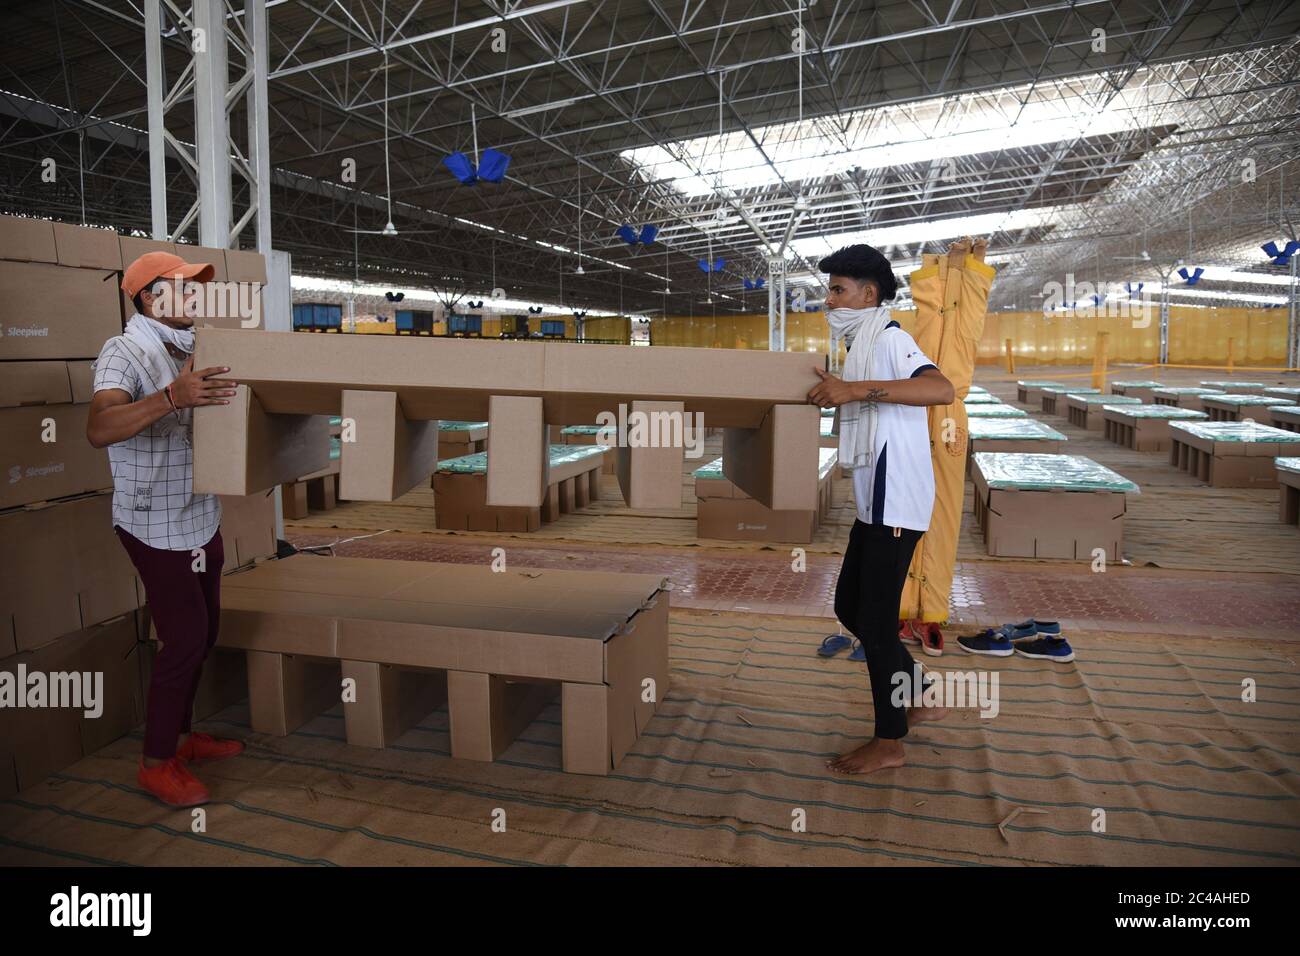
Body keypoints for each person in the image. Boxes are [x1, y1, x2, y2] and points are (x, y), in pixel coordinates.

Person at [86, 251, 245, 807]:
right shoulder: (123, 352)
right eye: (185, 287)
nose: (198, 296)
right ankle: (156, 763)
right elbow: (100, 427)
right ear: (151, 297)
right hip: (153, 522)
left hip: (199, 514)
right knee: (182, 640)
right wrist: (173, 396)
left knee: (207, 631)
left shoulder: (199, 345)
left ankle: (182, 738)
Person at [806, 244, 955, 774]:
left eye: (838, 290)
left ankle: (890, 740)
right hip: (875, 502)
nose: (829, 300)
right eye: (829, 290)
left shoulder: (891, 338)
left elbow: (941, 389)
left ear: (869, 294)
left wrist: (854, 390)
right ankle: (920, 694)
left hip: (898, 504)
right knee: (851, 608)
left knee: (874, 619)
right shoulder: (860, 346)